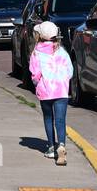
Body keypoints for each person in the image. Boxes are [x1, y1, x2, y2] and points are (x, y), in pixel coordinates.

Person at [28, 20, 73, 166]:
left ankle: (51, 147)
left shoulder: (36, 53)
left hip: (46, 91)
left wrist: (37, 84)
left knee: (48, 118)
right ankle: (61, 145)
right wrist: (64, 80)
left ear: (39, 36)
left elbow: (35, 74)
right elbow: (70, 71)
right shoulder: (61, 51)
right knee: (60, 120)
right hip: (61, 90)